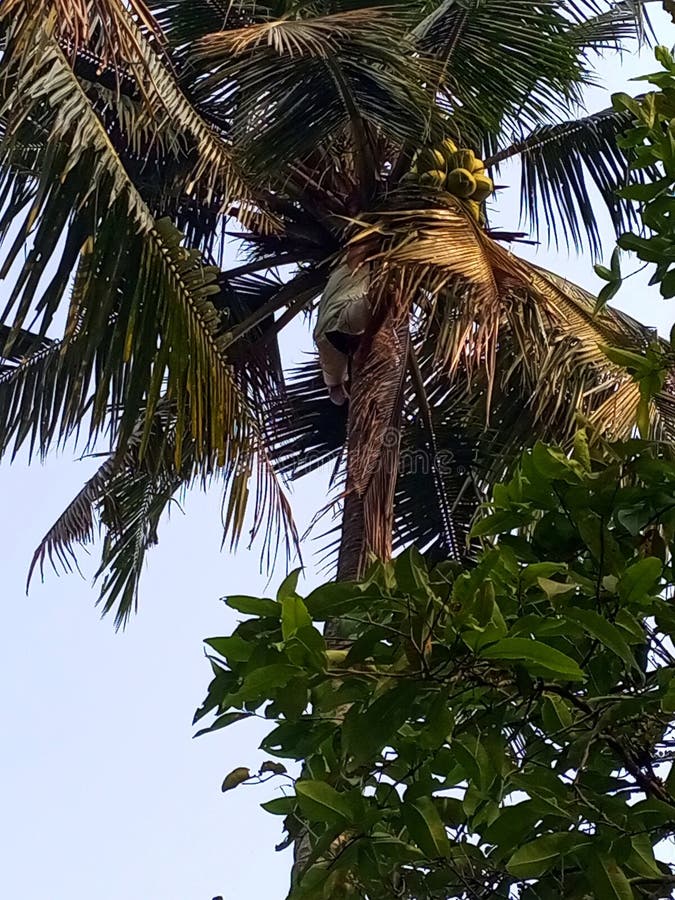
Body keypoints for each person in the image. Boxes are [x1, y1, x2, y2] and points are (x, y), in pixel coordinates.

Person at [313, 243, 372, 405]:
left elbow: (335, 394)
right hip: (335, 327)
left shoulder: (345, 270)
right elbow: (335, 395)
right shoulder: (350, 269)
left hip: (334, 328)